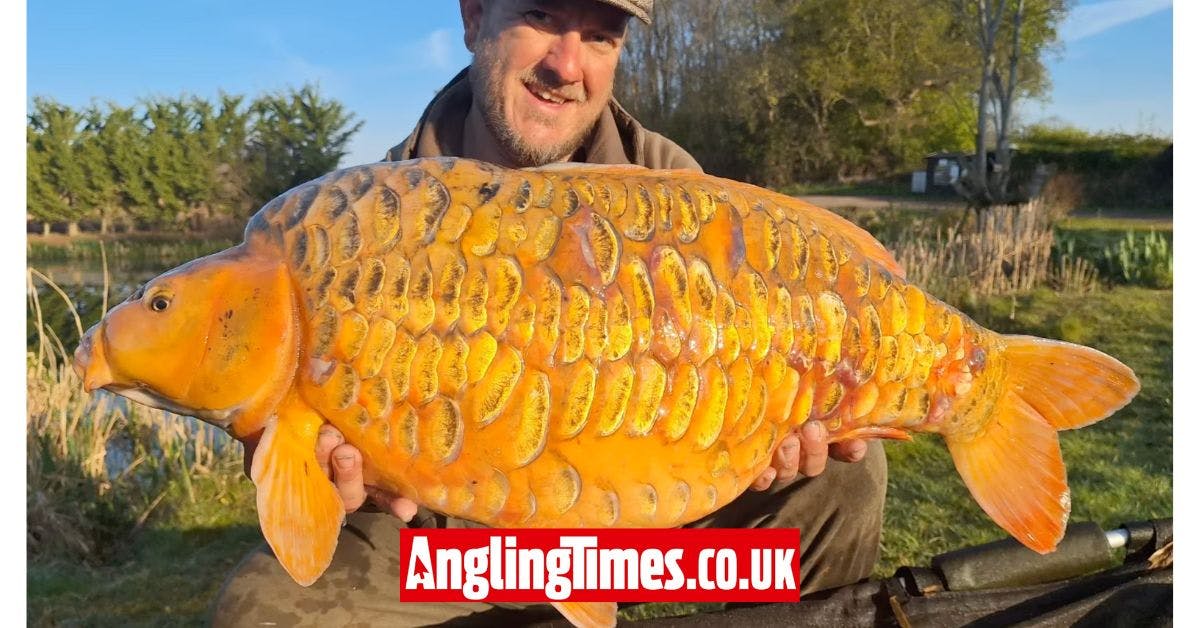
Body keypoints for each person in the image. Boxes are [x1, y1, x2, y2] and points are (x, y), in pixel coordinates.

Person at [212, 1, 886, 625]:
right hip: (451, 551)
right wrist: (303, 451)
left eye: (599, 36)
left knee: (846, 479)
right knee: (262, 612)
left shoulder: (672, 185)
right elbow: (285, 433)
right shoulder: (371, 219)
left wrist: (769, 425)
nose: (567, 66)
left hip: (638, 541)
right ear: (475, 16)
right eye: (540, 16)